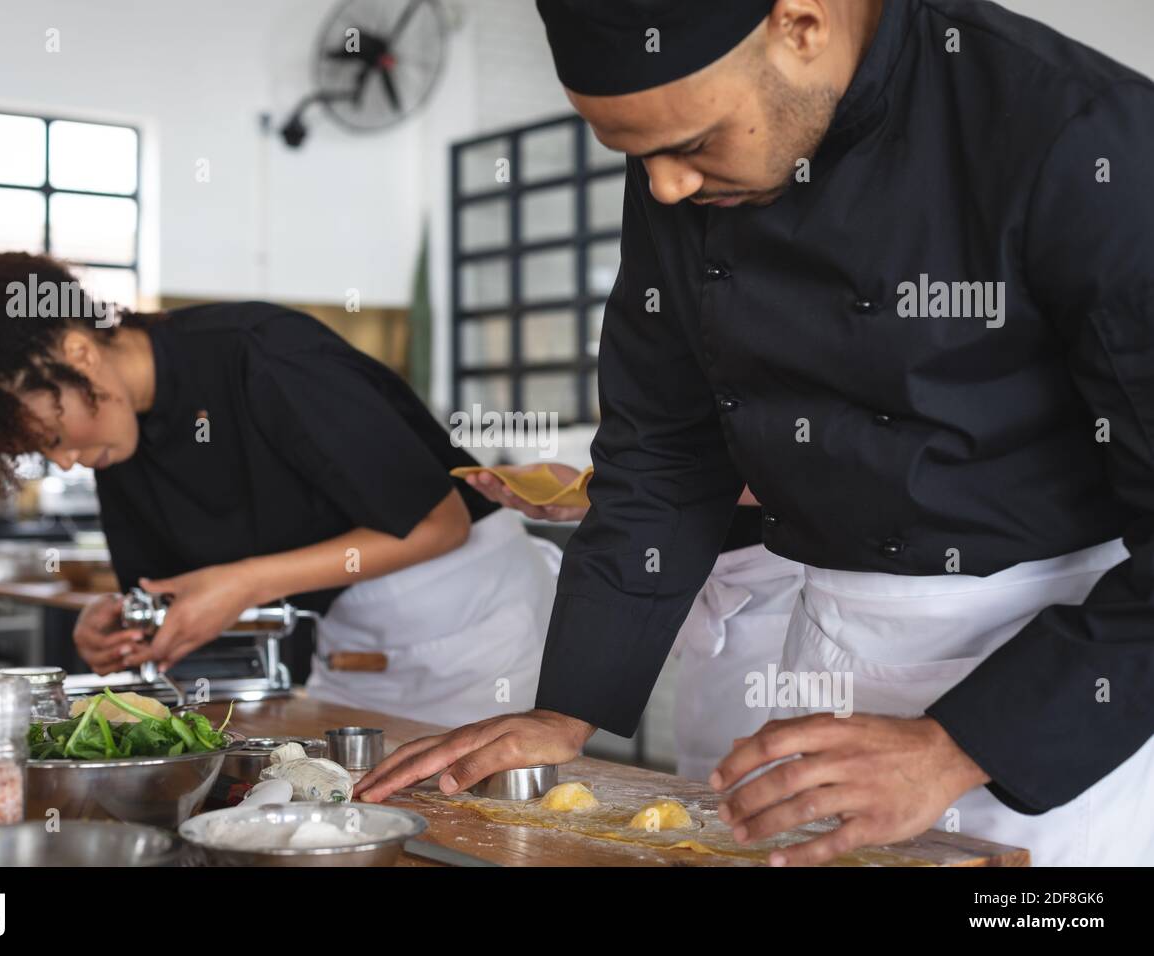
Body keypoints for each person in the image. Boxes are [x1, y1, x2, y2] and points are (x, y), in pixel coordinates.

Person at [356, 0, 1154, 866]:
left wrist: (958, 745)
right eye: (634, 155)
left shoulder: (1081, 136)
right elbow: (664, 446)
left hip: (1061, 696)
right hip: (826, 654)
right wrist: (567, 707)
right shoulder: (684, 145)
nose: (664, 188)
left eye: (692, 145)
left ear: (801, 24)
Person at [0, 240, 557, 727]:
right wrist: (127, 624)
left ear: (76, 353)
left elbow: (439, 523)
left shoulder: (264, 356)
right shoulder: (115, 438)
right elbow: (192, 591)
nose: (65, 461)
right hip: (354, 640)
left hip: (476, 626)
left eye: (53, 434)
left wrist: (246, 581)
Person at [463, 465, 802, 781]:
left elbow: (822, 467)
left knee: (773, 783)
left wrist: (627, 487)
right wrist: (605, 497)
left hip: (786, 589)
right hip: (718, 589)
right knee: (709, 783)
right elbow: (676, 464)